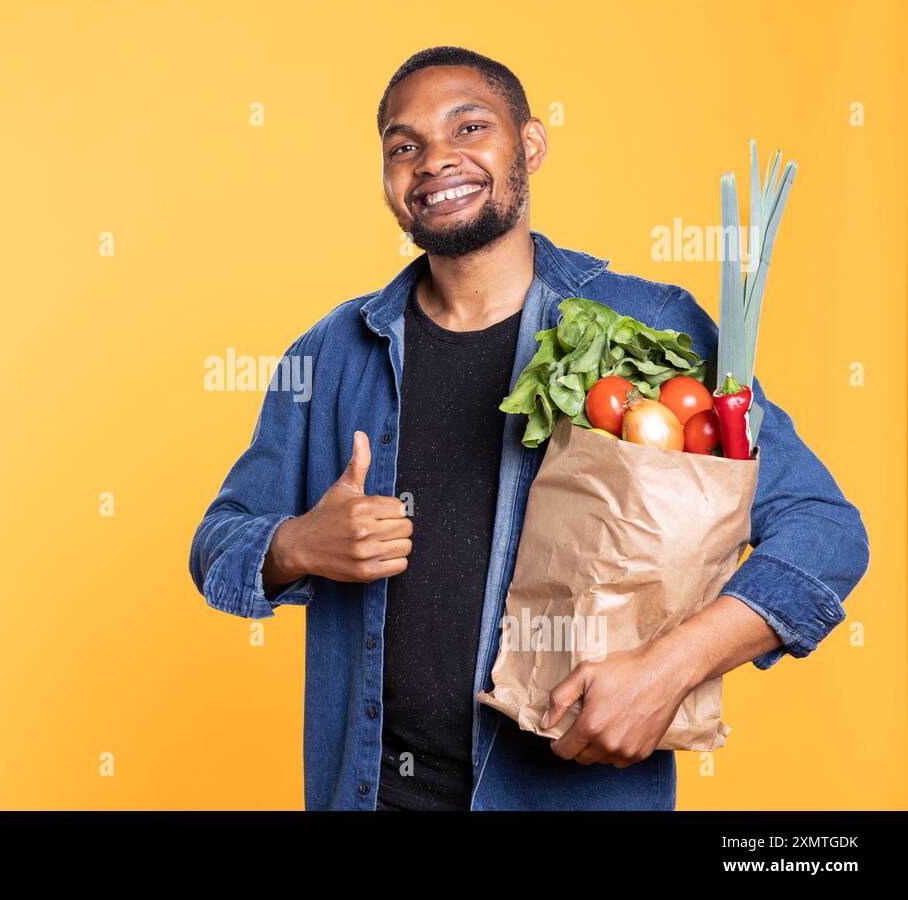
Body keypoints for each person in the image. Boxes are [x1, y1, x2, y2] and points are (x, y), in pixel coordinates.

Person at [187, 45, 869, 810]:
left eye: (469, 128)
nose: (434, 161)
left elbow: (824, 531)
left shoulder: (647, 327)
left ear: (530, 146)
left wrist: (670, 669)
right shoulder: (331, 354)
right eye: (403, 146)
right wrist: (294, 546)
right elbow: (219, 539)